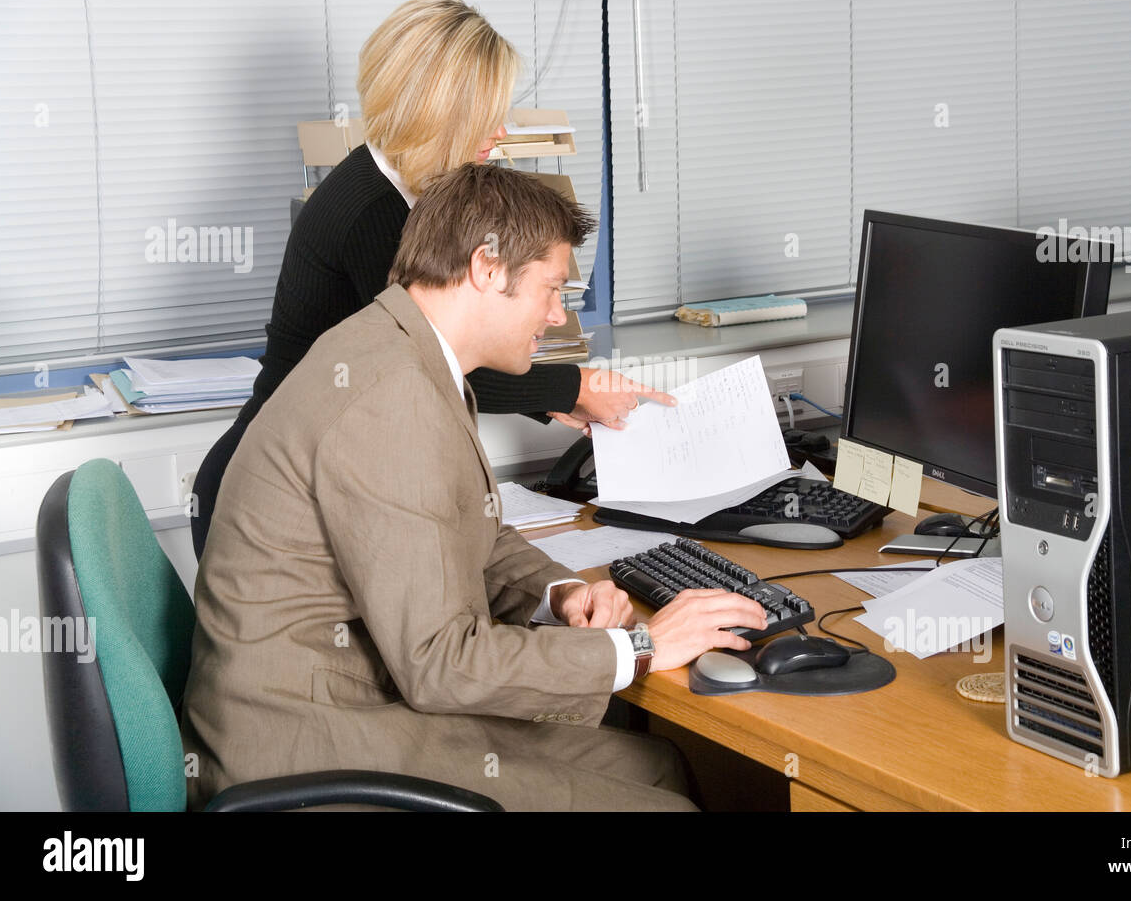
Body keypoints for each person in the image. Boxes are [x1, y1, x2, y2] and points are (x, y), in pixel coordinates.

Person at [180, 163, 766, 811]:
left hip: (365, 688)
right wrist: (639, 647)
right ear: (487, 267)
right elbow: (439, 664)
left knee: (656, 765)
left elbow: (470, 531)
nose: (556, 315)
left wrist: (562, 596)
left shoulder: (407, 350)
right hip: (313, 739)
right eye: (550, 289)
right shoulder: (387, 398)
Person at [189, 0, 665, 558]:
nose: (500, 130)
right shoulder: (372, 211)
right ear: (434, 113)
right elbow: (437, 361)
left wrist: (560, 398)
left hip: (309, 480)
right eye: (484, 114)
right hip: (268, 504)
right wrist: (575, 389)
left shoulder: (403, 191)